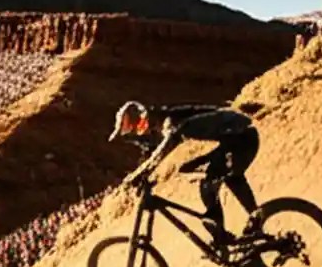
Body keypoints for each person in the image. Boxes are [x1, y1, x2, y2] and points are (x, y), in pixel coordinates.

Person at [109, 101, 259, 249]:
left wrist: (138, 175)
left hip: (242, 139)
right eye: (137, 131)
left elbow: (163, 151)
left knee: (214, 181)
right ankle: (238, 226)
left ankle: (246, 224)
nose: (141, 132)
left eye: (140, 127)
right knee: (210, 175)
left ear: (145, 119)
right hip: (236, 139)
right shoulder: (168, 120)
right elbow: (153, 154)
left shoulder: (170, 123)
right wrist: (143, 174)